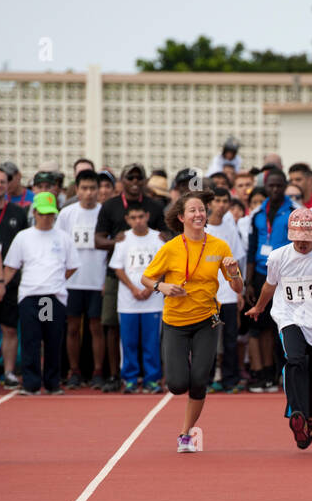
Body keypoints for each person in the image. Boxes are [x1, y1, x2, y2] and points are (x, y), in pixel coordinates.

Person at [142, 191, 245, 451]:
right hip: (175, 321)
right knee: (177, 385)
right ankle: (182, 390)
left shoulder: (219, 247)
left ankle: (185, 434)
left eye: (202, 209)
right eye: (192, 210)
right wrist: (161, 287)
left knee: (199, 379)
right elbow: (146, 278)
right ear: (181, 217)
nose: (199, 214)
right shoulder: (171, 248)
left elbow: (238, 288)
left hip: (206, 320)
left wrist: (233, 273)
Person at [246, 207, 312, 449]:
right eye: (297, 239)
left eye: (306, 240)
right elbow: (270, 286)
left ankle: (310, 415)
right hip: (290, 317)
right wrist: (259, 307)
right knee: (295, 360)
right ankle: (297, 413)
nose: (301, 244)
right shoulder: (279, 256)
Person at [1, 192, 79, 395]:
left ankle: (53, 383)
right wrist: (0, 285)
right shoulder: (23, 237)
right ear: (34, 212)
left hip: (52, 297)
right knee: (31, 340)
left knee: (52, 340)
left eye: (50, 214)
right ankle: (31, 383)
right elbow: (11, 267)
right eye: (43, 213)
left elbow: (72, 266)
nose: (47, 217)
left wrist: (56, 280)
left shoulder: (63, 238)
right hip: (29, 296)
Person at [56, 169, 109, 389]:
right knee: (73, 328)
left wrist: (107, 278)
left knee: (96, 327)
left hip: (97, 280)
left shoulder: (105, 213)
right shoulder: (67, 214)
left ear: (99, 190)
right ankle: (74, 371)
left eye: (92, 188)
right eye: (84, 188)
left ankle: (97, 372)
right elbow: (59, 246)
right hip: (72, 281)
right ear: (77, 190)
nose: (88, 193)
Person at [0, 166, 30, 388]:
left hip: (11, 281)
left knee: (10, 328)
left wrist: (3, 283)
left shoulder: (18, 213)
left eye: (3, 181)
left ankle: (9, 372)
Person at [246, 167, 294, 393]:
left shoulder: (293, 212)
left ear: (284, 187)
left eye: (278, 185)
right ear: (265, 187)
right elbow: (252, 248)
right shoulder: (257, 214)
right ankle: (263, 373)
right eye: (271, 185)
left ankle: (282, 373)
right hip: (259, 274)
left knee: (283, 326)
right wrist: (247, 282)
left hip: (285, 276)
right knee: (260, 326)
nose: (274, 189)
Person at [109, 203, 165, 393]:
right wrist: (133, 288)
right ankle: (130, 379)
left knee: (151, 342)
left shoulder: (157, 239)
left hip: (153, 301)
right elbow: (118, 268)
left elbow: (164, 267)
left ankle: (152, 379)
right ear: (127, 219)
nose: (138, 221)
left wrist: (150, 288)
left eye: (141, 216)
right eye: (133, 218)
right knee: (129, 342)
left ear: (147, 216)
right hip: (128, 302)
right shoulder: (123, 240)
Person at [205, 187, 244, 392]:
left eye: (224, 200)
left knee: (230, 339)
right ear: (209, 204)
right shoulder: (202, 230)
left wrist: (239, 292)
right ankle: (208, 379)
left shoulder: (230, 229)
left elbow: (237, 261)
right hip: (208, 295)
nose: (221, 204)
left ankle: (230, 379)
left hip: (228, 293)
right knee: (209, 339)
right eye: (217, 200)